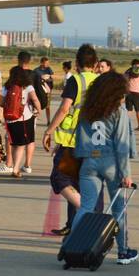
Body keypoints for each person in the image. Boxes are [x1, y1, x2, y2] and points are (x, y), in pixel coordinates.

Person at [72, 70, 139, 264]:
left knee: (85, 207)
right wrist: (126, 173)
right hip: (111, 162)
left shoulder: (87, 109)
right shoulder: (119, 111)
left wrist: (83, 157)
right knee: (118, 209)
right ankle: (123, 251)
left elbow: (80, 137)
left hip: (89, 160)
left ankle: (75, 245)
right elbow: (121, 144)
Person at [42, 44, 101, 236]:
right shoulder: (101, 82)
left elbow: (65, 108)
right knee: (82, 183)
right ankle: (74, 224)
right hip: (95, 141)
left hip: (73, 142)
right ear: (96, 63)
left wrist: (49, 130)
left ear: (77, 63)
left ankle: (89, 214)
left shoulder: (76, 81)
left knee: (59, 178)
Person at [1, 67, 41, 178]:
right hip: (24, 118)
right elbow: (35, 99)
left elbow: (0, 102)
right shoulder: (27, 86)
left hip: (10, 119)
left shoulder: (7, 86)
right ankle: (16, 169)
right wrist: (39, 110)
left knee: (14, 144)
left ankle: (15, 167)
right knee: (21, 145)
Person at [124, 59, 139, 130]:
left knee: (129, 110)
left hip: (129, 92)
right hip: (138, 93)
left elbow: (124, 80)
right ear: (138, 64)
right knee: (138, 110)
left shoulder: (128, 71)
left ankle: (126, 125)